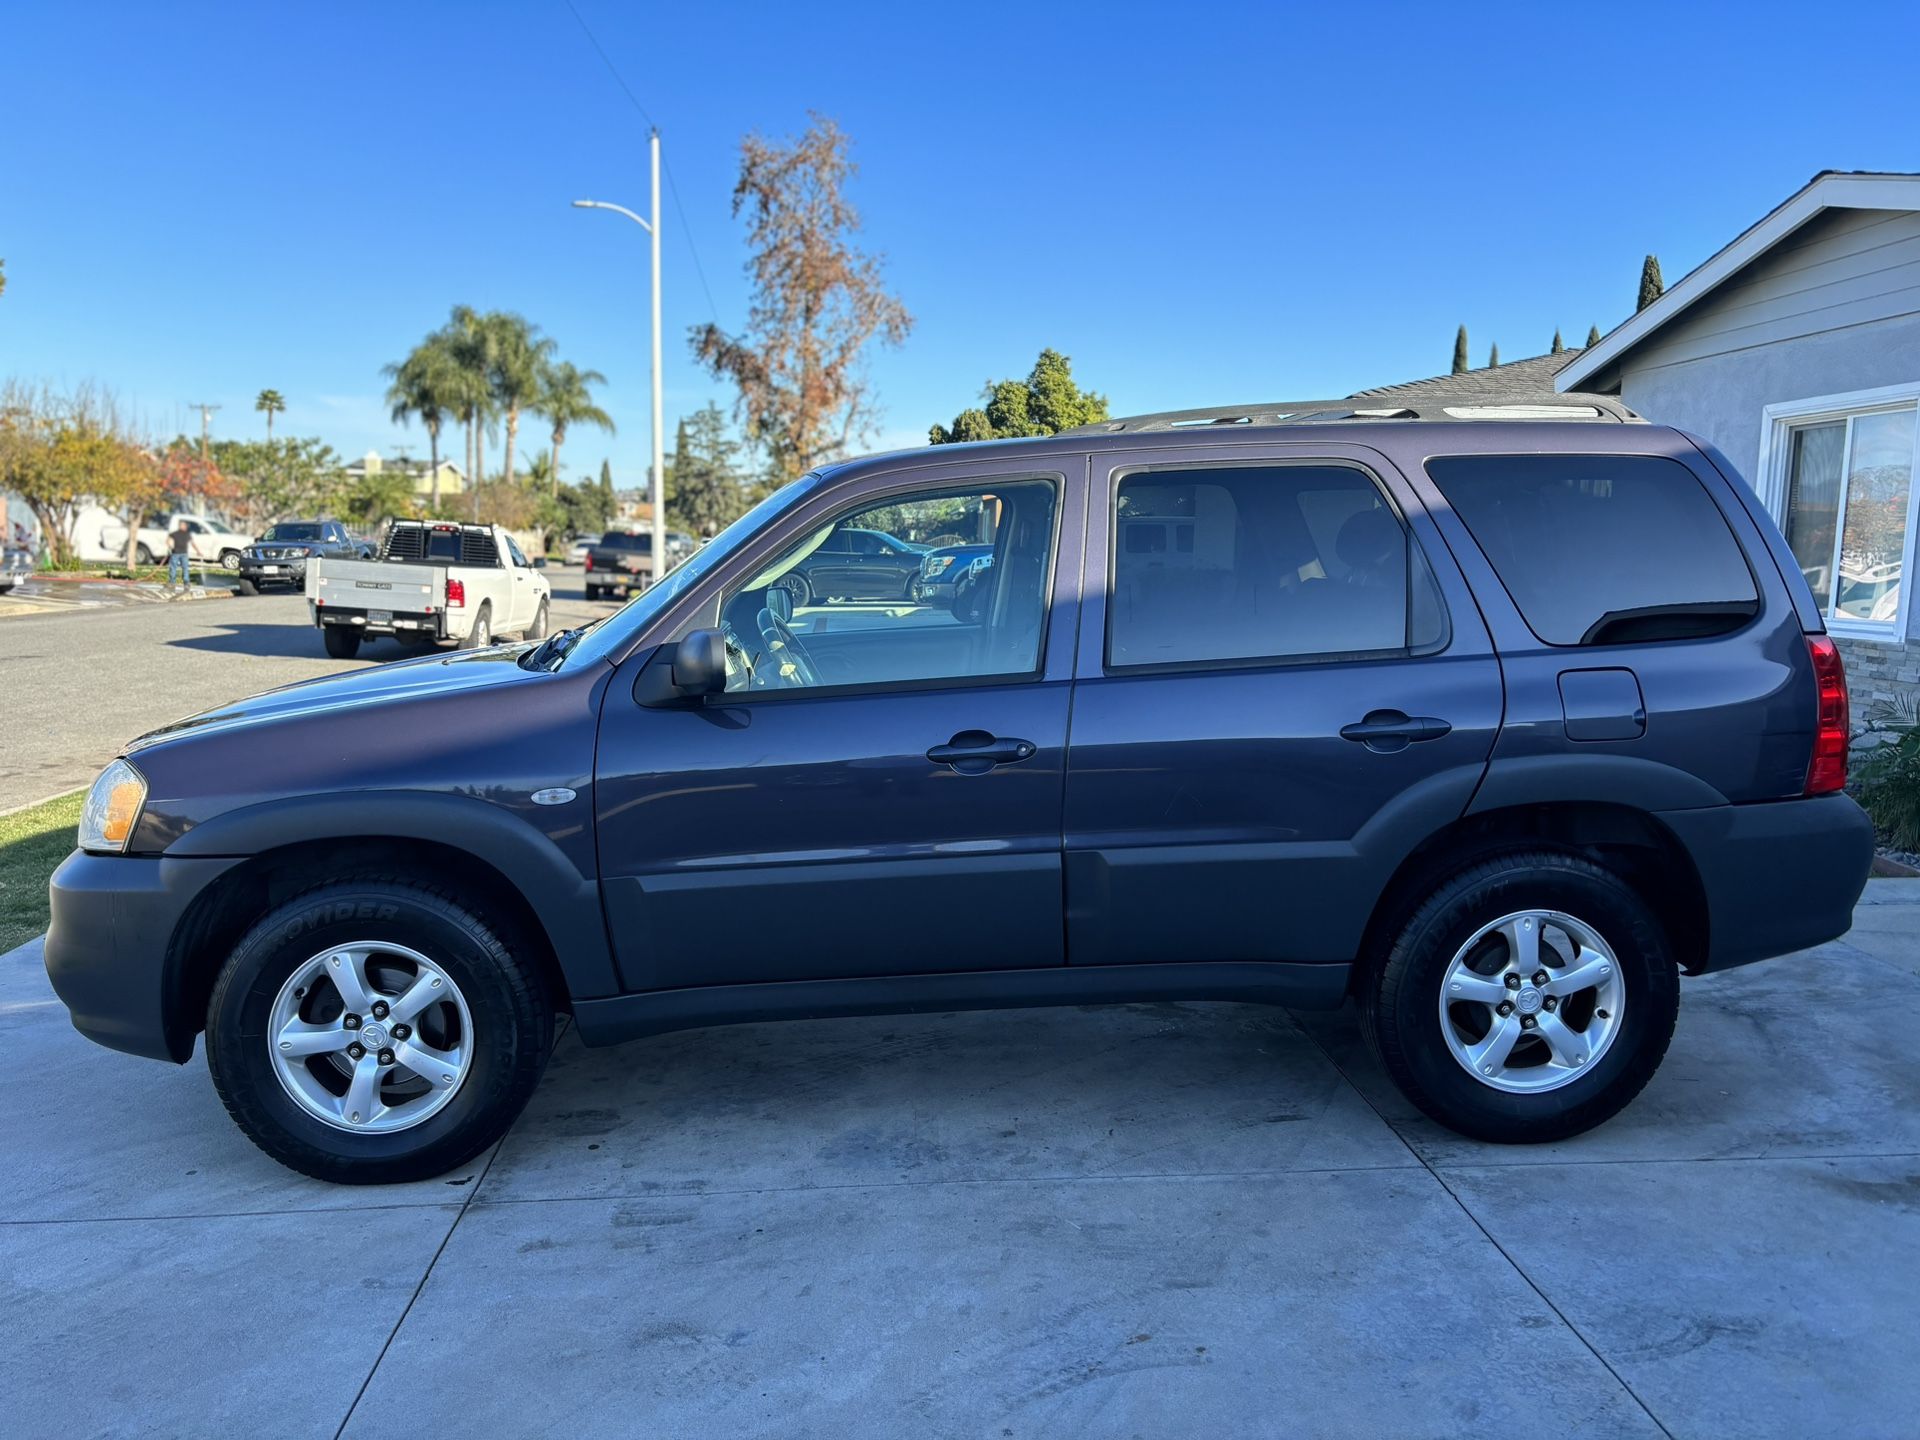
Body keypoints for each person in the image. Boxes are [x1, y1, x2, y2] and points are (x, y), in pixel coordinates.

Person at [166, 519, 192, 588]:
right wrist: (170, 546)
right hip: (175, 553)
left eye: (185, 526)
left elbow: (193, 543)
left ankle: (186, 582)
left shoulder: (187, 534)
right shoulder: (175, 533)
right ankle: (172, 582)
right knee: (173, 568)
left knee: (185, 568)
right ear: (180, 526)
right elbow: (168, 539)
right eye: (184, 525)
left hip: (184, 554)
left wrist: (198, 551)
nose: (185, 527)